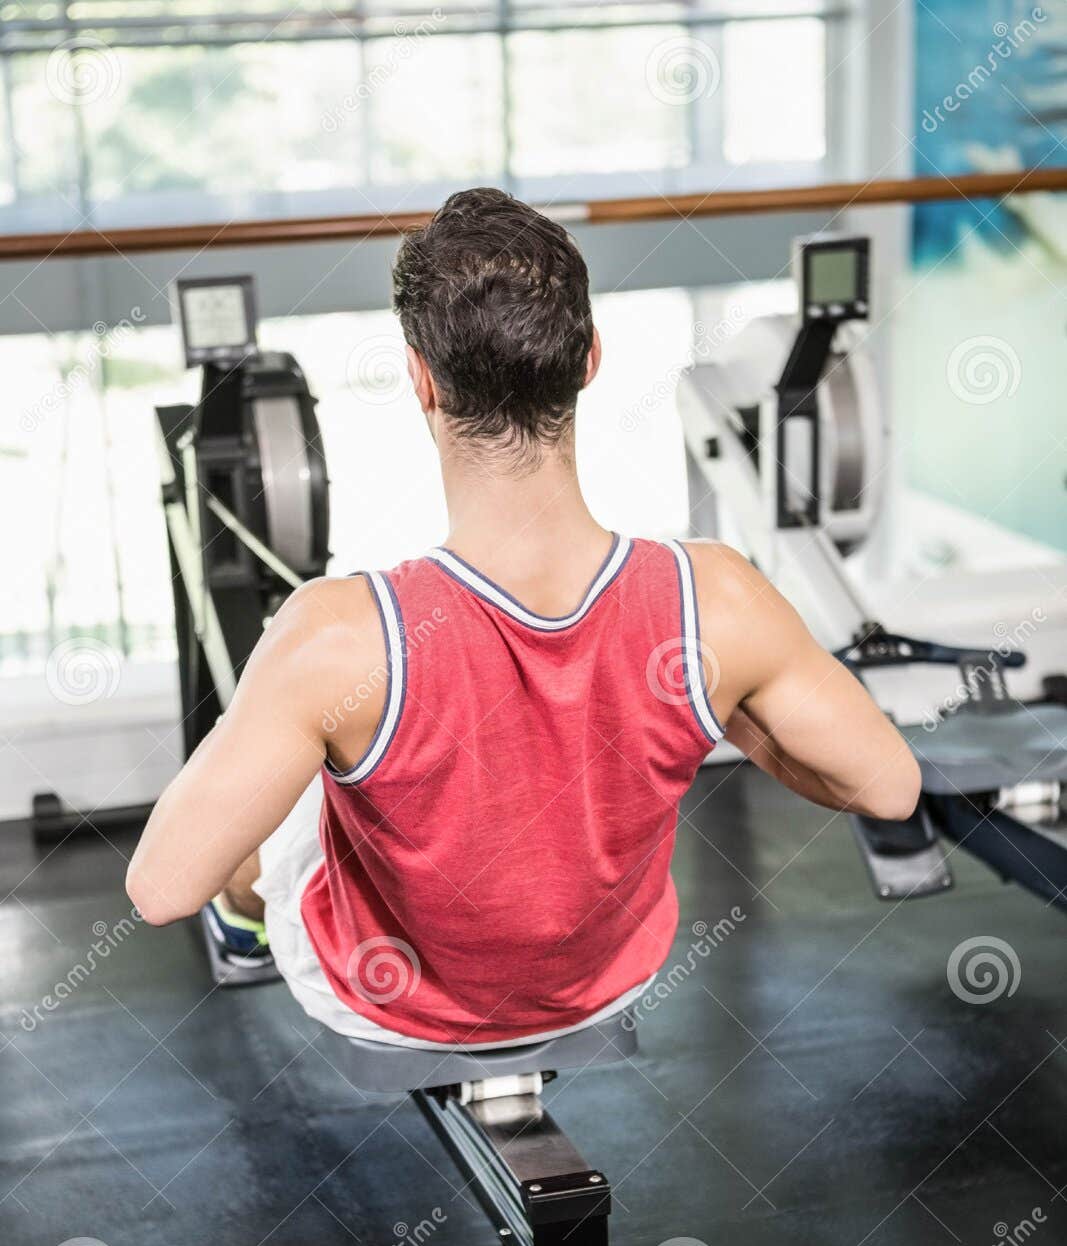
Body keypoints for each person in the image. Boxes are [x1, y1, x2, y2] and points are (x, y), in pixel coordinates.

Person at [127, 188, 920, 1049]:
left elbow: (161, 888)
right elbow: (887, 787)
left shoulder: (333, 634)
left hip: (384, 1003)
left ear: (421, 380)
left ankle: (249, 923)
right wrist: (721, 706)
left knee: (285, 799)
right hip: (612, 983)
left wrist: (276, 708)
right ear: (588, 359)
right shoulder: (719, 597)